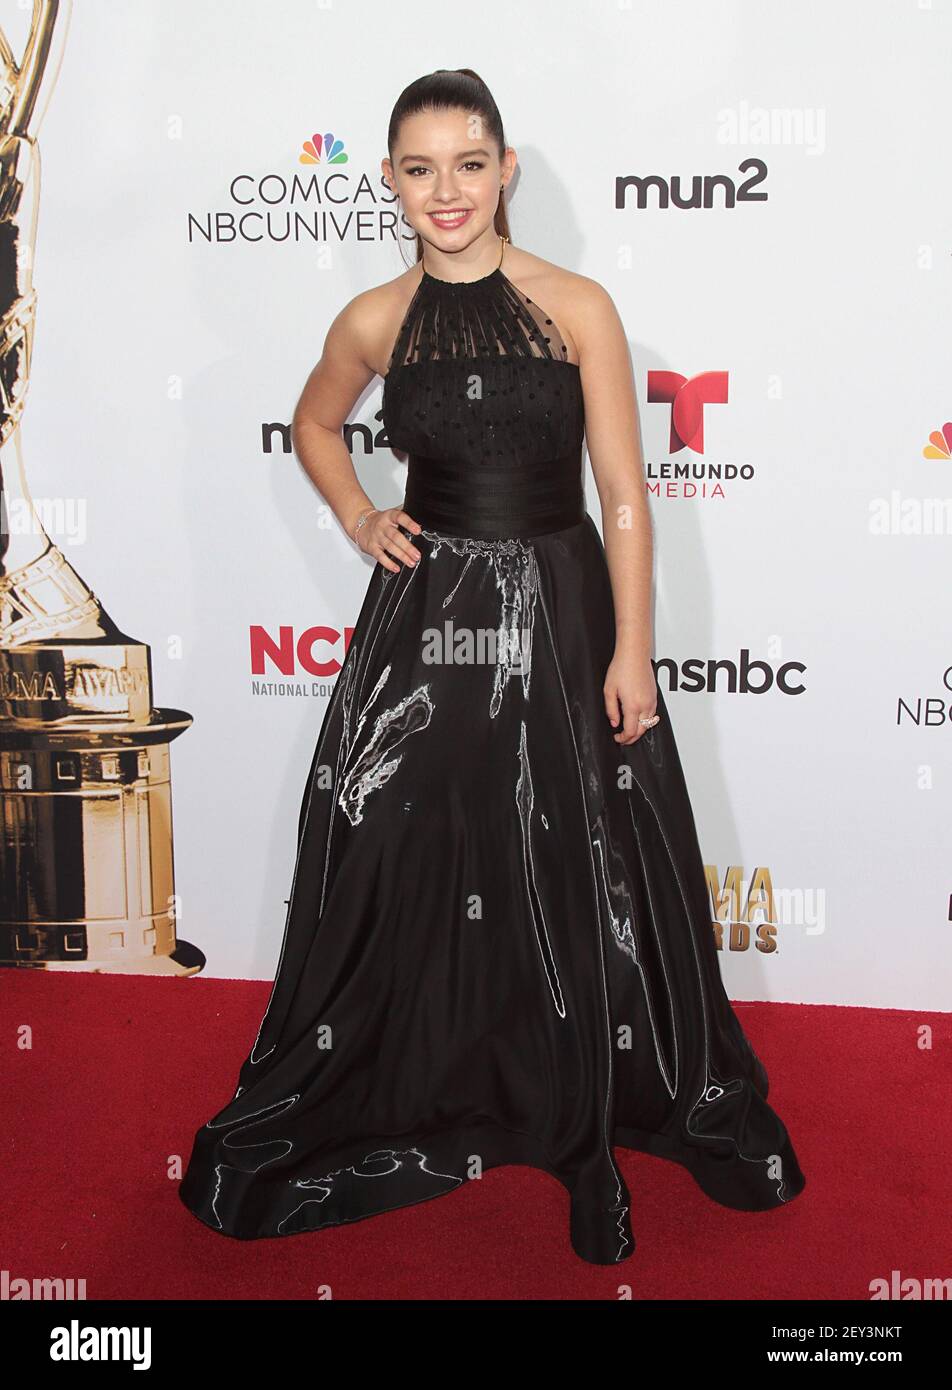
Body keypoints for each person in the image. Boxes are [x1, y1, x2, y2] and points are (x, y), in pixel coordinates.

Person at [178, 68, 806, 1266]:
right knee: (405, 843)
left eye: (468, 163)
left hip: (564, 611)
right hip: (427, 625)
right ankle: (441, 1065)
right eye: (418, 169)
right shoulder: (372, 317)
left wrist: (632, 649)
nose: (445, 190)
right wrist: (359, 512)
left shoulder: (577, 303)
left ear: (507, 169)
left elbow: (624, 495)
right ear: (389, 183)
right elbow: (315, 423)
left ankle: (574, 1080)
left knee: (582, 855)